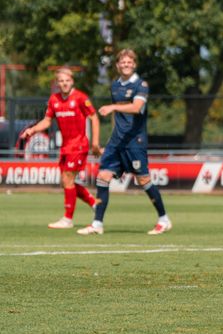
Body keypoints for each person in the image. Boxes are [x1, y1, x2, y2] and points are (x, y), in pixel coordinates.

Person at [77, 49, 171, 236]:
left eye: (129, 62)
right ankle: (97, 224)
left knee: (143, 180)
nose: (126, 65)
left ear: (134, 65)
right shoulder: (115, 86)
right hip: (116, 142)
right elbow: (119, 118)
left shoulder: (140, 85)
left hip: (135, 141)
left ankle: (163, 219)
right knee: (103, 177)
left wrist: (112, 107)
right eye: (123, 62)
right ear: (118, 65)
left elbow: (137, 108)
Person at [20, 67, 100, 229]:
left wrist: (95, 143)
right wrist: (32, 129)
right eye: (61, 81)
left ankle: (67, 219)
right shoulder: (54, 99)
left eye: (67, 80)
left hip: (78, 145)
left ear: (72, 81)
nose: (64, 83)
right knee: (65, 182)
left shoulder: (80, 98)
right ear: (57, 83)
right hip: (65, 147)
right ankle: (94, 203)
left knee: (68, 179)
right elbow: (47, 121)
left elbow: (94, 117)